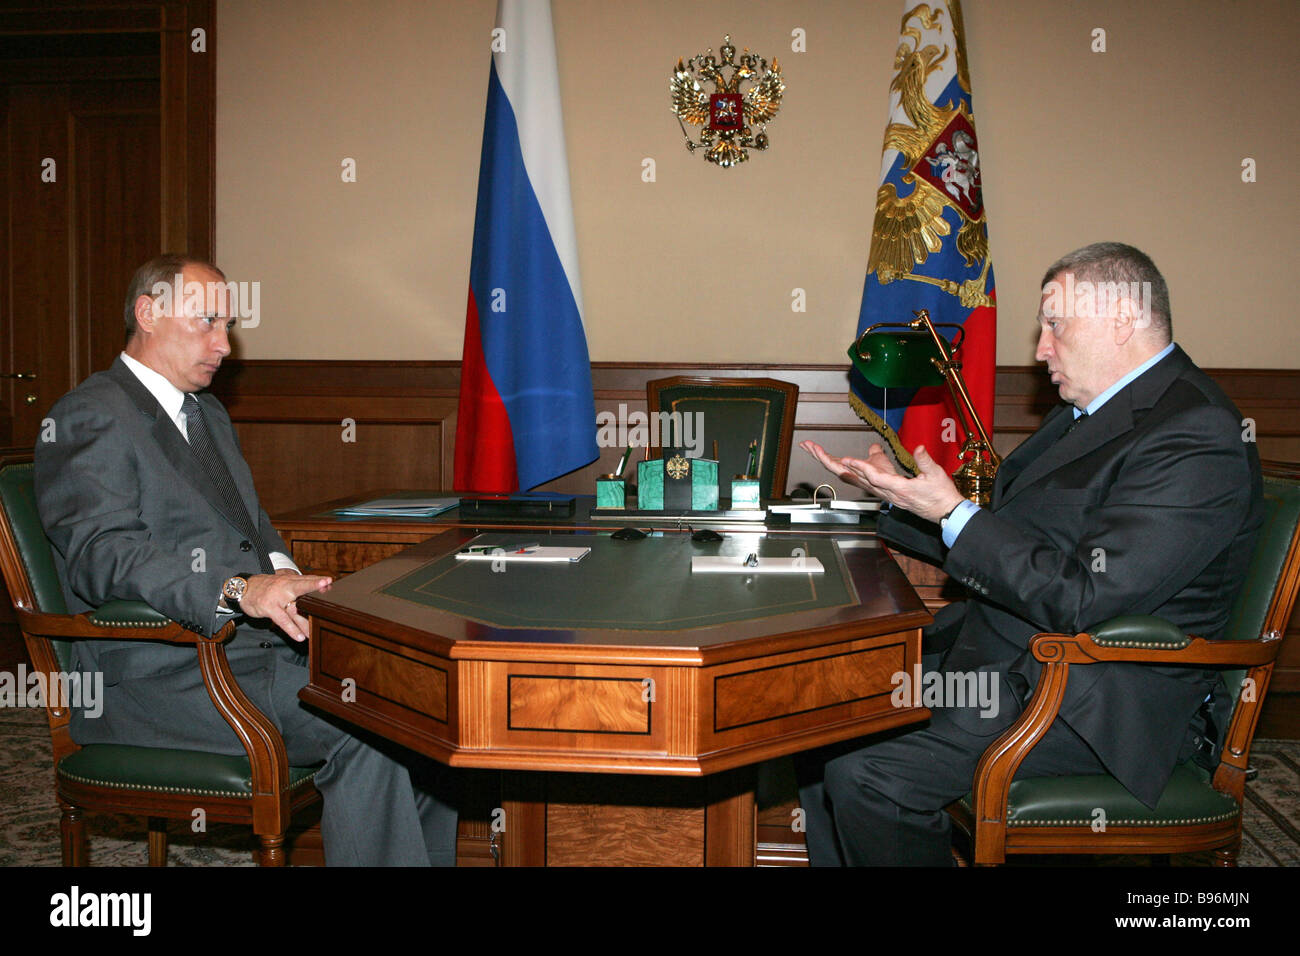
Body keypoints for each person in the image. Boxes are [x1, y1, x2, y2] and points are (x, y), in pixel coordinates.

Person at [797, 241, 1261, 865]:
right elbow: (1004, 537)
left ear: (1123, 319)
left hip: (1091, 697)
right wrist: (890, 503)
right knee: (813, 724)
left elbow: (1085, 598)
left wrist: (953, 513)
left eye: (1055, 324)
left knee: (870, 773)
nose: (1040, 347)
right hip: (1006, 662)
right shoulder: (1086, 414)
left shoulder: (1197, 433)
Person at [35, 253, 458, 866]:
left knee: (421, 716)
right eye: (207, 322)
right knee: (374, 730)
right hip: (161, 675)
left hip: (248, 658)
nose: (223, 344)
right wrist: (238, 588)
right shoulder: (90, 414)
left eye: (226, 325)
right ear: (148, 313)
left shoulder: (205, 413)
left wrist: (286, 578)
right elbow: (102, 556)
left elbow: (252, 527)